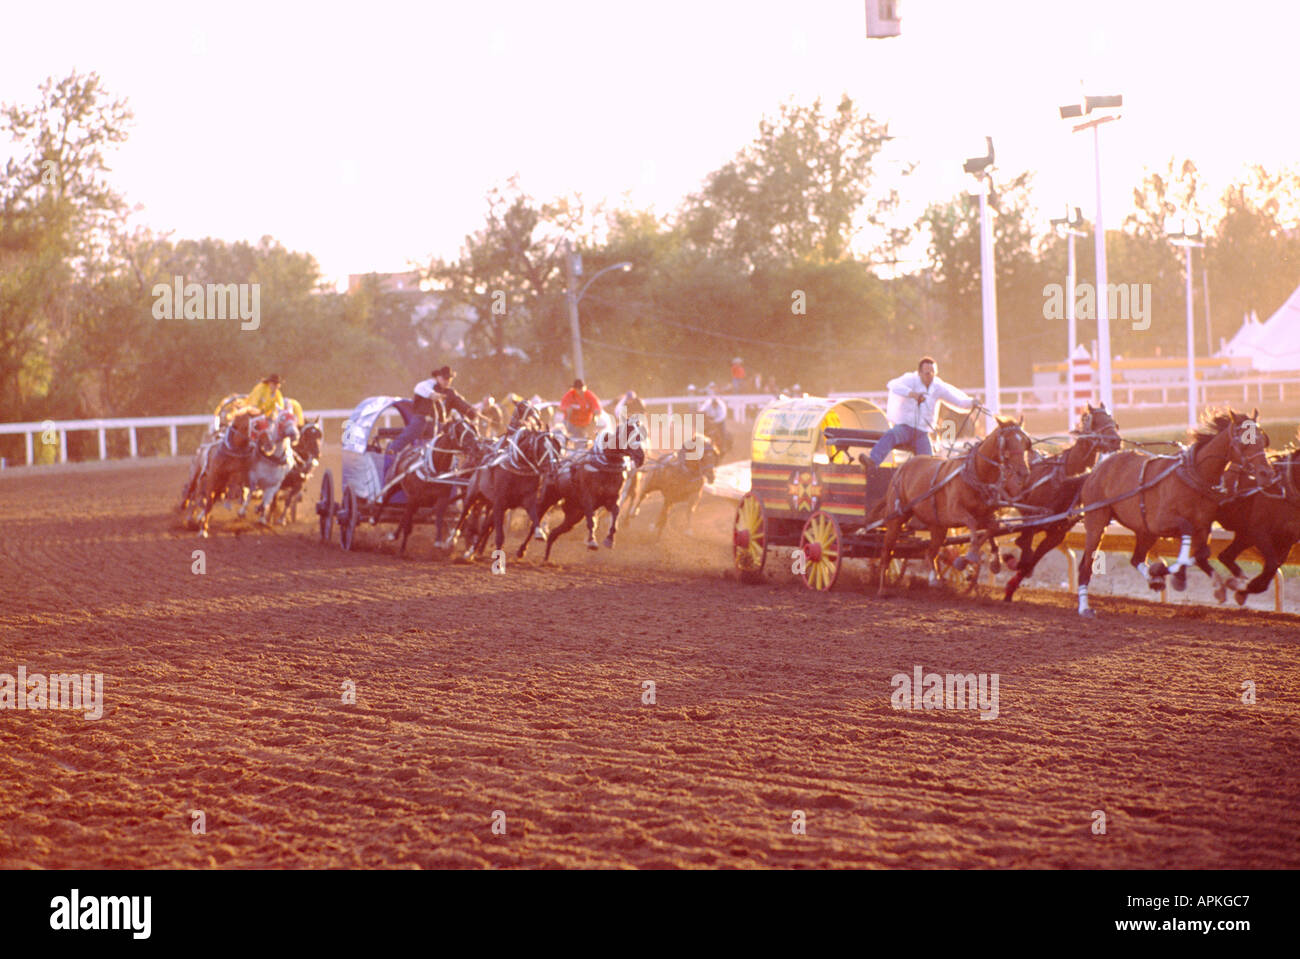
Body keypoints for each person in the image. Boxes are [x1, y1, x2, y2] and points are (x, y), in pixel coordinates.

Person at [861, 356, 977, 478]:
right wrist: (912, 394)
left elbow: (957, 401)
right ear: (920, 373)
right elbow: (892, 385)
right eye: (927, 373)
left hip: (923, 432)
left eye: (933, 373)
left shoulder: (938, 387)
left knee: (928, 461)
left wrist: (971, 403)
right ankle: (872, 462)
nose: (930, 376)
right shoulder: (910, 380)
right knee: (892, 435)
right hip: (905, 427)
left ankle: (926, 485)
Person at [388, 366, 479, 462]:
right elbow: (420, 388)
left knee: (455, 433)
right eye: (444, 378)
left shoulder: (450, 393)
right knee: (413, 430)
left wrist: (471, 412)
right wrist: (432, 394)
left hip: (439, 426)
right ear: (438, 377)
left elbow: (461, 404)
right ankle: (392, 450)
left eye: (449, 379)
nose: (447, 381)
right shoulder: (427, 385)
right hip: (422, 422)